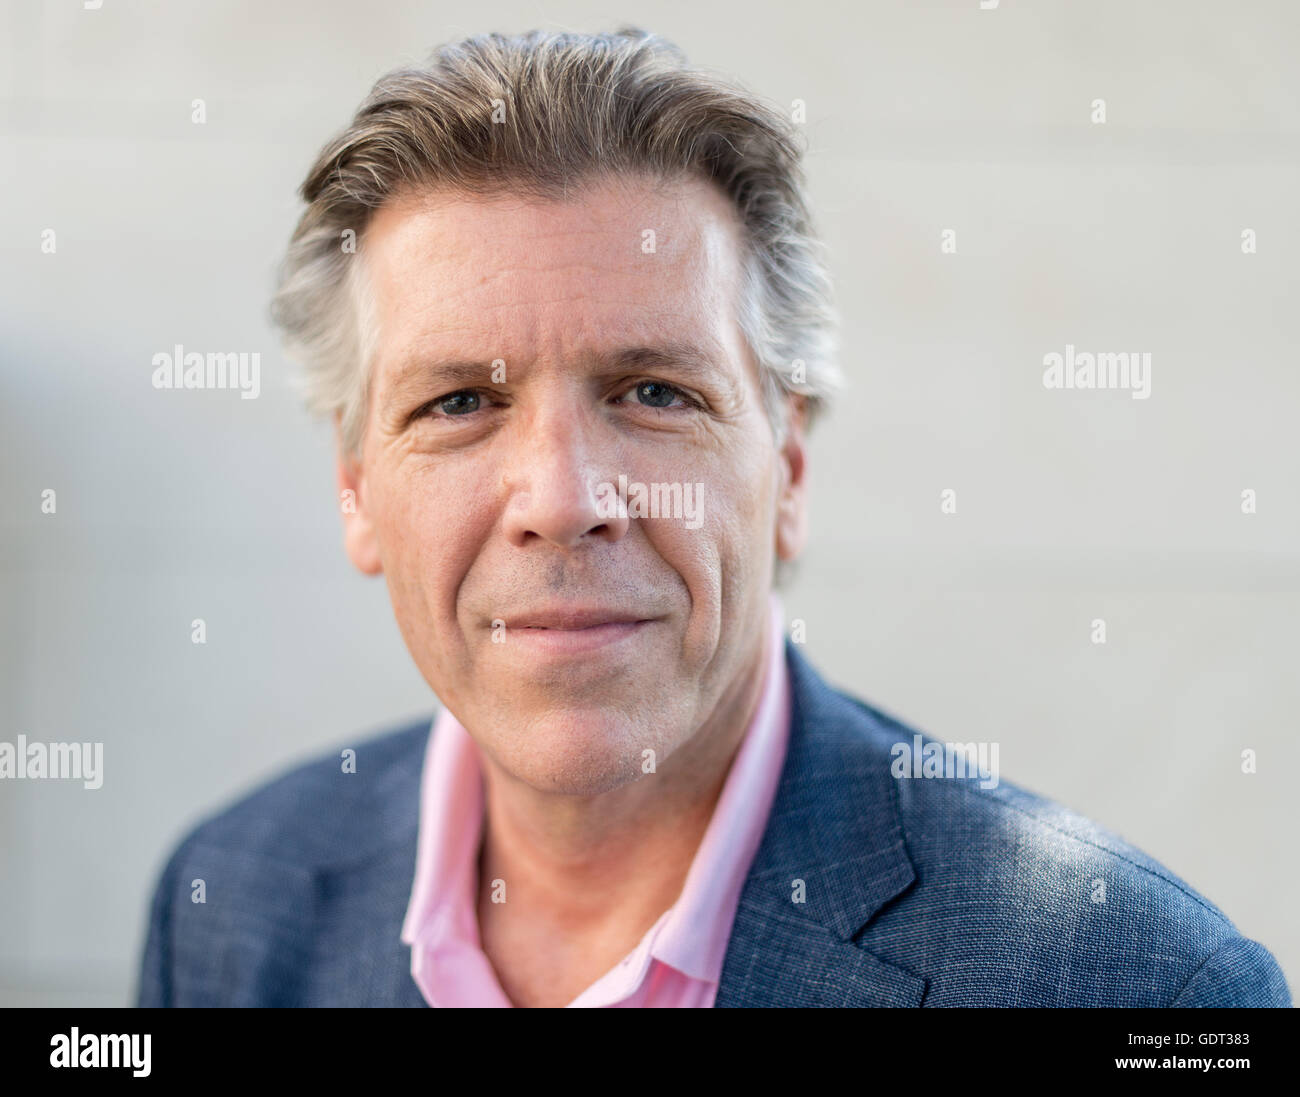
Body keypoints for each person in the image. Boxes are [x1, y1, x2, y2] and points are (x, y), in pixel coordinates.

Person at [135, 27, 1290, 1008]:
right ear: (355, 491)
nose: (561, 500)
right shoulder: (230, 905)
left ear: (785, 467)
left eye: (654, 393)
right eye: (460, 402)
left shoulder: (1136, 984)